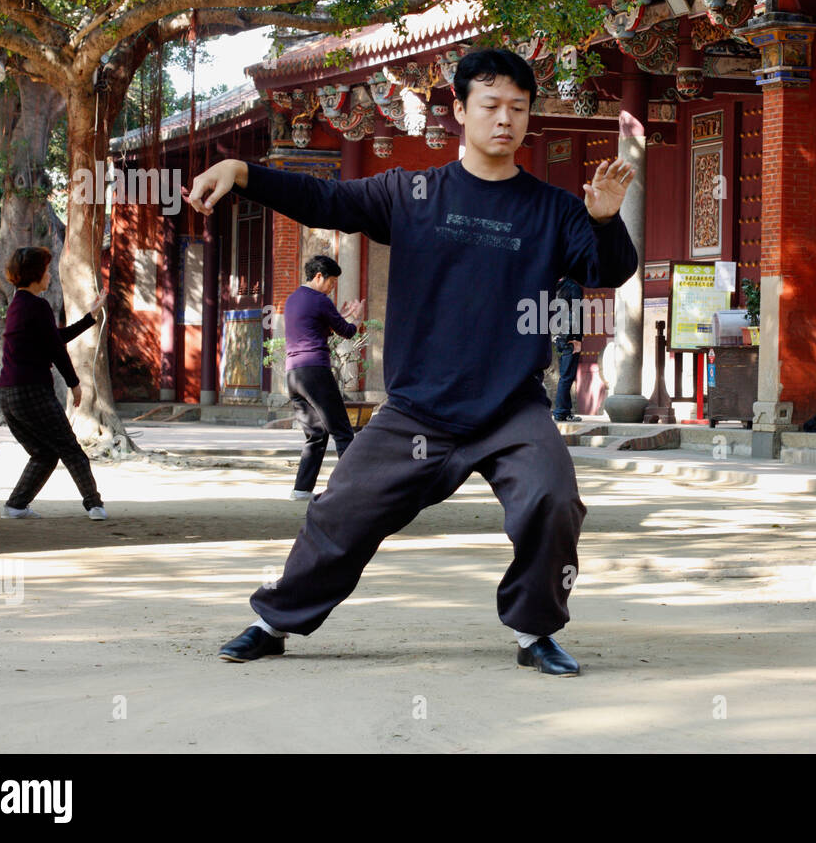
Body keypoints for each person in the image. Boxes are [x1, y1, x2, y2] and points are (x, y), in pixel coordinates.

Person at [183, 47, 637, 676]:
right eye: (491, 105)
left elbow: (606, 269)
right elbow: (325, 201)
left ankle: (535, 631)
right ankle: (274, 620)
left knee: (552, 498)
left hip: (512, 411)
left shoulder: (552, 210)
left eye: (518, 108)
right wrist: (242, 170)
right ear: (459, 110)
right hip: (419, 410)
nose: (505, 119)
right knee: (340, 509)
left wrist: (605, 219)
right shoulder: (411, 192)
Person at [0, 246, 108, 520]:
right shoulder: (38, 305)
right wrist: (74, 384)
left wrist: (90, 318)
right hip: (32, 391)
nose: (50, 276)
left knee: (44, 453)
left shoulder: (17, 305)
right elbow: (57, 351)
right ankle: (94, 505)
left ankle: (16, 506)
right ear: (36, 274)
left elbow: (53, 339)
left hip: (8, 395)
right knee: (70, 448)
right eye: (47, 270)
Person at [284, 254, 366, 500]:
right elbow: (347, 333)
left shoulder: (292, 299)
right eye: (331, 282)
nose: (332, 287)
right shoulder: (320, 300)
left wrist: (336, 317)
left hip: (292, 375)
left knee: (316, 433)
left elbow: (314, 330)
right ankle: (353, 488)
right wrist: (356, 318)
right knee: (342, 430)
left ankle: (301, 490)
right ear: (318, 276)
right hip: (315, 370)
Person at [551, 275, 583, 422]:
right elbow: (577, 313)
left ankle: (565, 411)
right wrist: (576, 338)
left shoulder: (554, 287)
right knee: (567, 376)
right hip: (570, 336)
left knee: (564, 375)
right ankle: (561, 412)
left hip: (557, 335)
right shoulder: (573, 287)